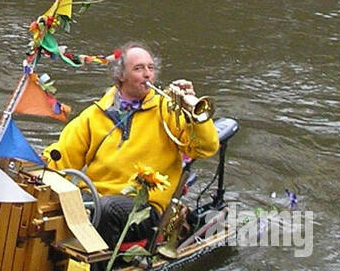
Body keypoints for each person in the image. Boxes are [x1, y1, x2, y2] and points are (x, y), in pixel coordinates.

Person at [45, 44, 219, 249]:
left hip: (145, 206)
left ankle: (94, 270)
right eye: (138, 69)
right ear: (121, 76)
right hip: (95, 198)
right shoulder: (94, 115)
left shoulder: (168, 110)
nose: (147, 75)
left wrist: (192, 113)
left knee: (107, 209)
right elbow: (60, 157)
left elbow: (206, 148)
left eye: (151, 68)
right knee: (61, 202)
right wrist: (32, 170)